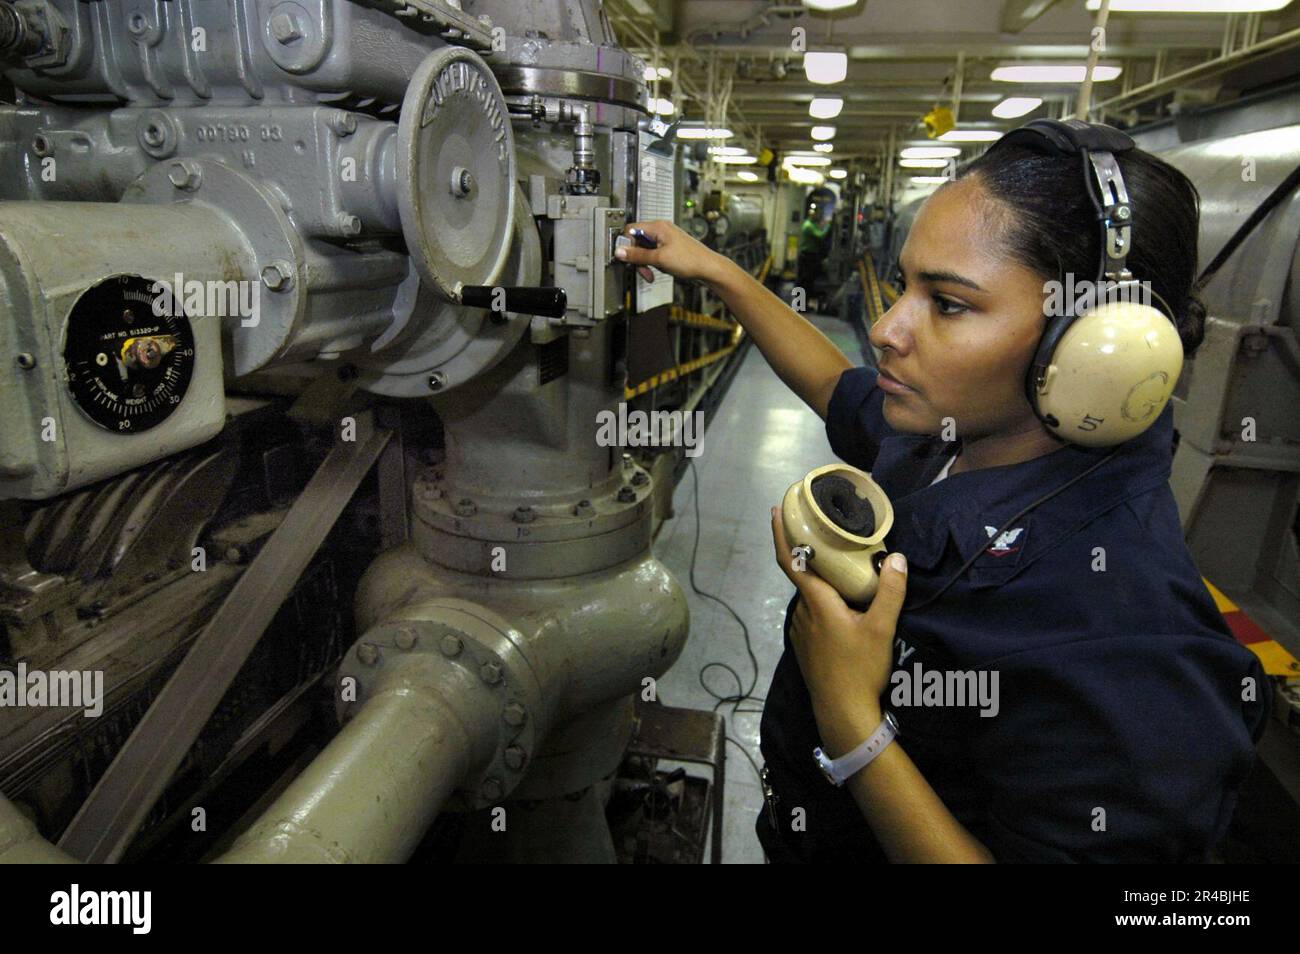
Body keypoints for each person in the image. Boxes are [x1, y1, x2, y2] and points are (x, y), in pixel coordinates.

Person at [614, 120, 1271, 863]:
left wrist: (854, 722)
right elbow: (835, 385)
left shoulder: (1129, 636)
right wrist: (720, 274)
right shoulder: (953, 435)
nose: (889, 327)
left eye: (949, 304)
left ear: (1093, 349)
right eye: (904, 286)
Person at [796, 202, 832, 311]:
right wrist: (829, 225)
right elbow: (820, 235)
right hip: (807, 257)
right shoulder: (808, 226)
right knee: (804, 281)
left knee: (808, 282)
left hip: (810, 257)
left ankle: (803, 305)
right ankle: (799, 306)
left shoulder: (812, 224)